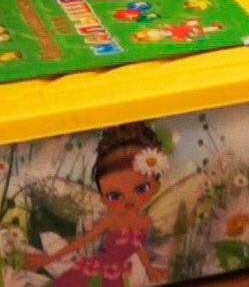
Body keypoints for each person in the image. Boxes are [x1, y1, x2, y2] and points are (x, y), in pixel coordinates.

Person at [24, 122, 164, 285]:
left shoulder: (144, 221)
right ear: (103, 198)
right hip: (100, 268)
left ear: (155, 186)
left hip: (121, 271)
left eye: (141, 188)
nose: (128, 200)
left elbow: (138, 248)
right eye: (114, 196)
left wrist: (150, 270)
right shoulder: (112, 220)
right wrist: (48, 259)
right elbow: (81, 241)